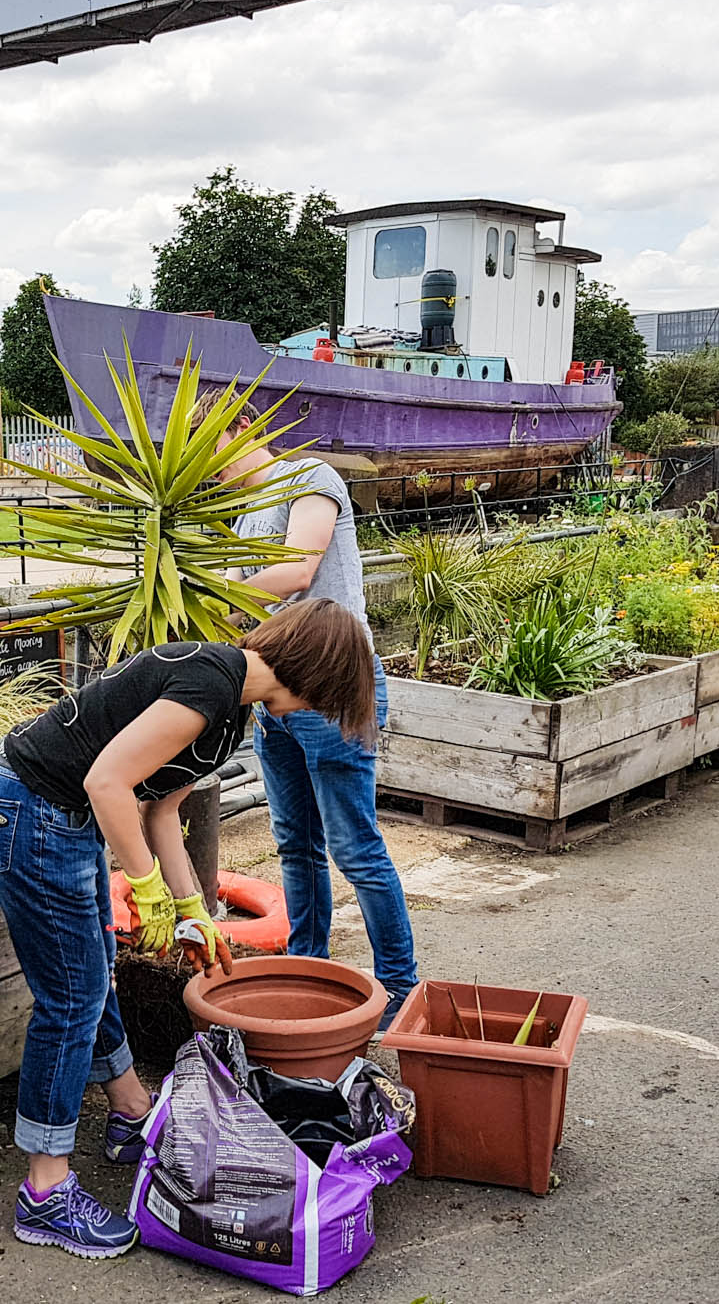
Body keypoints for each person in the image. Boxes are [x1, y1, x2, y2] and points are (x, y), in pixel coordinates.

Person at [0, 599, 377, 1259]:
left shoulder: (231, 711)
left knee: (89, 972)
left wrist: (194, 911)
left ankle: (130, 1112)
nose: (316, 715)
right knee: (70, 998)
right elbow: (107, 783)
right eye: (327, 700)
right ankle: (45, 1191)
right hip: (28, 810)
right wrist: (150, 892)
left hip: (56, 818)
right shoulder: (211, 679)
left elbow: (160, 812)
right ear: (315, 673)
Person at [217, 415, 419, 1031]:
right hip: (271, 695)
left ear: (242, 427)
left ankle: (401, 992)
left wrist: (210, 590)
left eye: (214, 448)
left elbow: (299, 570)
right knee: (295, 847)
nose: (212, 467)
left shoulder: (309, 477)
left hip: (328, 690)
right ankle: (308, 966)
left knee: (356, 850)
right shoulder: (247, 514)